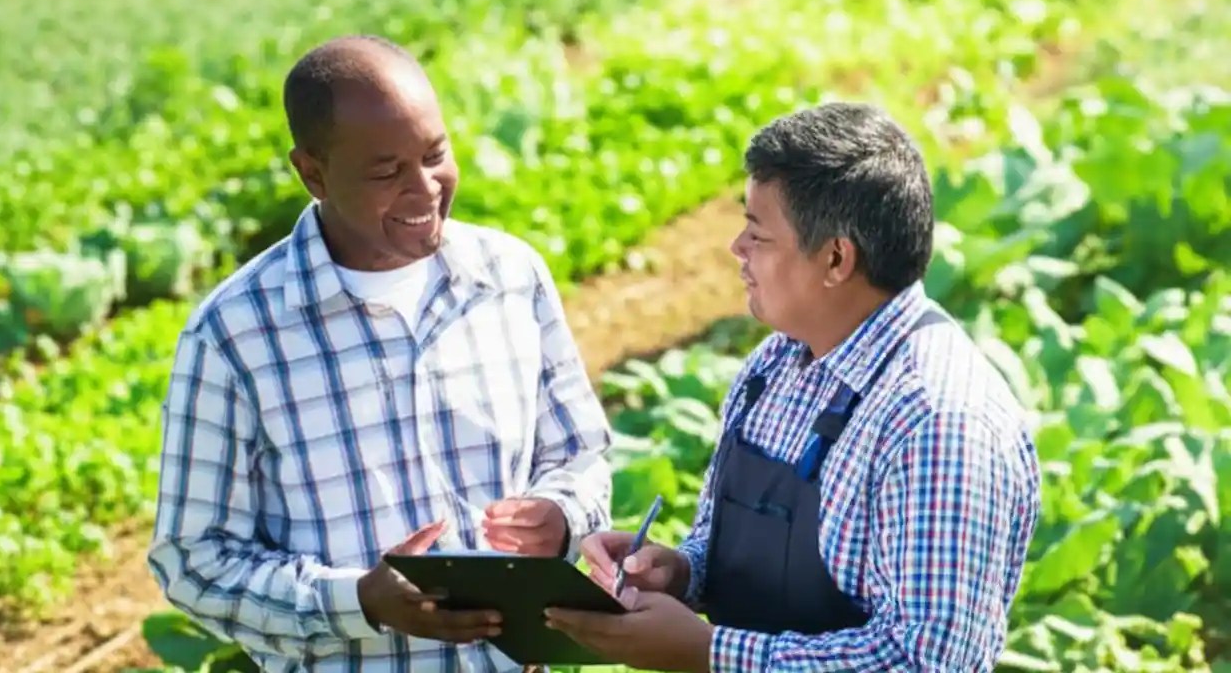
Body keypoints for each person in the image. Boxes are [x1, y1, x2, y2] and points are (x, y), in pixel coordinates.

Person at [147, 34, 613, 673]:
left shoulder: (510, 277)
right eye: (386, 172)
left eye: (435, 154)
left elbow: (581, 454)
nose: (425, 189)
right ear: (312, 173)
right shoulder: (235, 336)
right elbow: (192, 559)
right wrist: (358, 600)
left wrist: (559, 516)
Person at [544, 102, 1042, 671]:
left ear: (835, 258)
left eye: (758, 234)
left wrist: (708, 652)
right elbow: (727, 541)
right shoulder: (777, 362)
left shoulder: (938, 424)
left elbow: (925, 660)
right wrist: (680, 572)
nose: (737, 249)